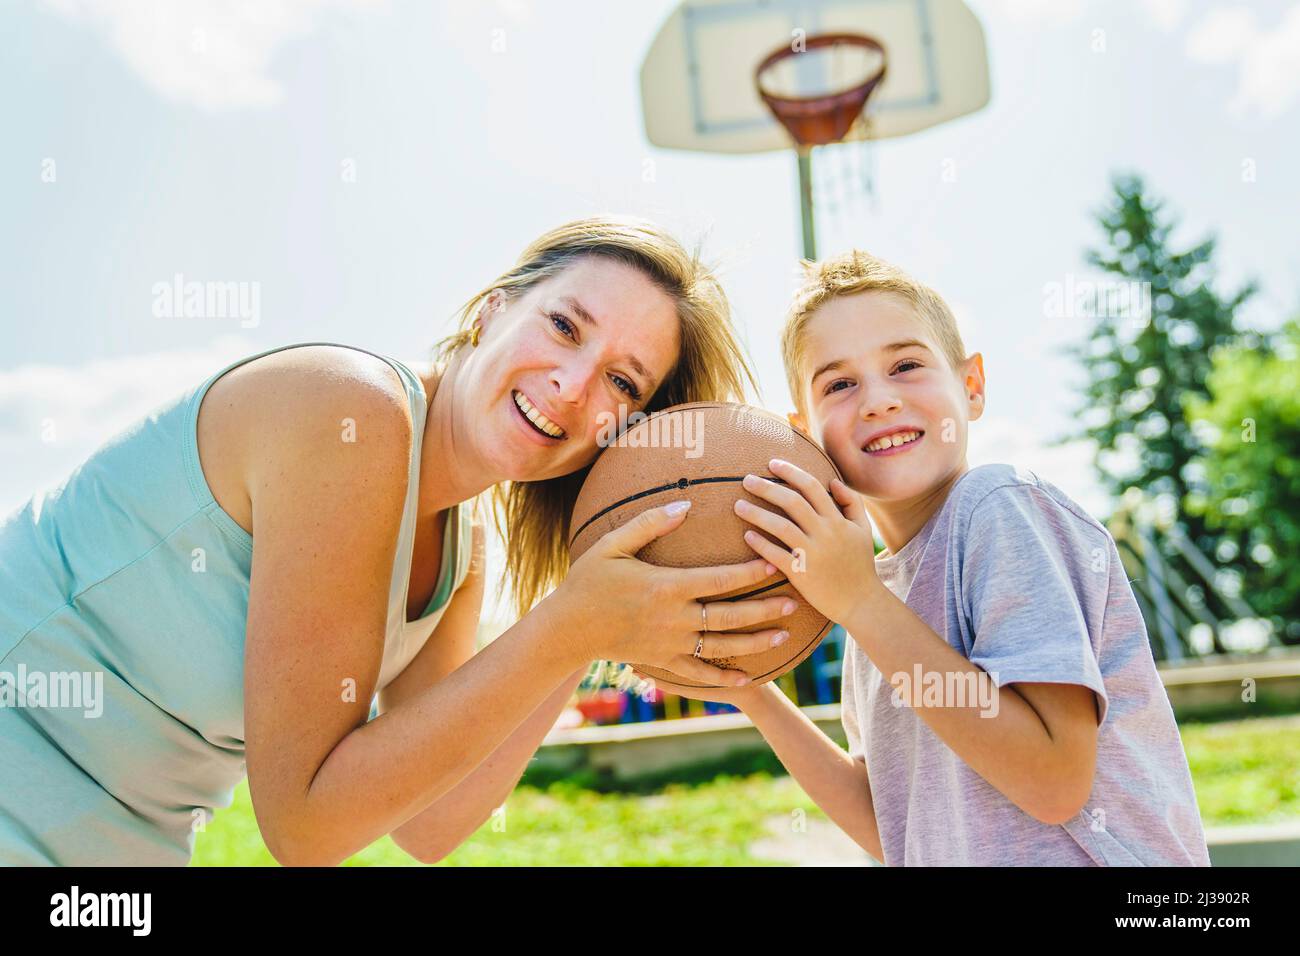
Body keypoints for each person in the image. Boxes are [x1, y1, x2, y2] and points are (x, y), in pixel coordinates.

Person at [0, 216, 795, 866]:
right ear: (492, 310)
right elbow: (304, 828)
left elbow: (430, 823)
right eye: (562, 326)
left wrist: (589, 615)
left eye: (624, 382)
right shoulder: (353, 412)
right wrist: (575, 623)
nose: (574, 384)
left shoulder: (463, 550)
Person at [654, 250, 1212, 866]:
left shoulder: (998, 507)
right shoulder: (872, 600)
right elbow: (891, 826)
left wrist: (860, 602)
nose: (879, 400)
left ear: (971, 386)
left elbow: (1054, 783)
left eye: (906, 365)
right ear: (803, 433)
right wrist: (753, 691)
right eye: (839, 384)